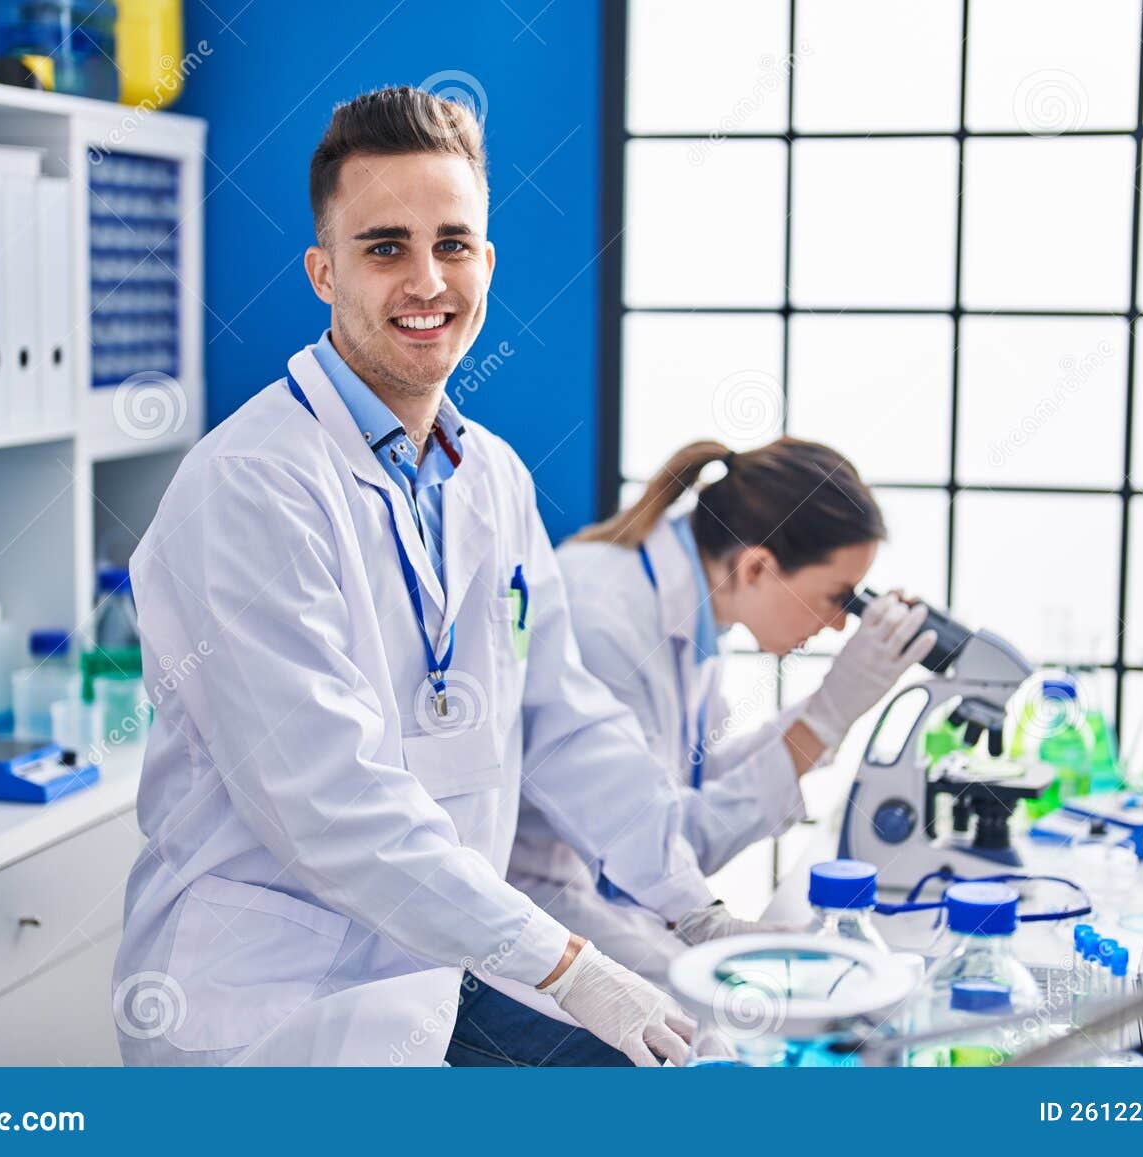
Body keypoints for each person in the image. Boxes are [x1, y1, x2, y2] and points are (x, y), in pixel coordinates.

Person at [113, 87, 773, 1068]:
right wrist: (569, 966)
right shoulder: (252, 485)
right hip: (268, 1007)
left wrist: (693, 901)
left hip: (432, 972)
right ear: (323, 272)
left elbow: (559, 715)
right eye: (384, 247)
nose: (426, 280)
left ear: (487, 263)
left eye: (452, 244)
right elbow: (329, 799)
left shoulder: (490, 475)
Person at [507, 438, 938, 985]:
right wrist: (828, 713)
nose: (837, 624)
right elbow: (673, 839)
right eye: (838, 598)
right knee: (714, 1024)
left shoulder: (697, 606)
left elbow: (696, 780)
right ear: (758, 567)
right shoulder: (604, 619)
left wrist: (836, 703)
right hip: (543, 907)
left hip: (613, 897)